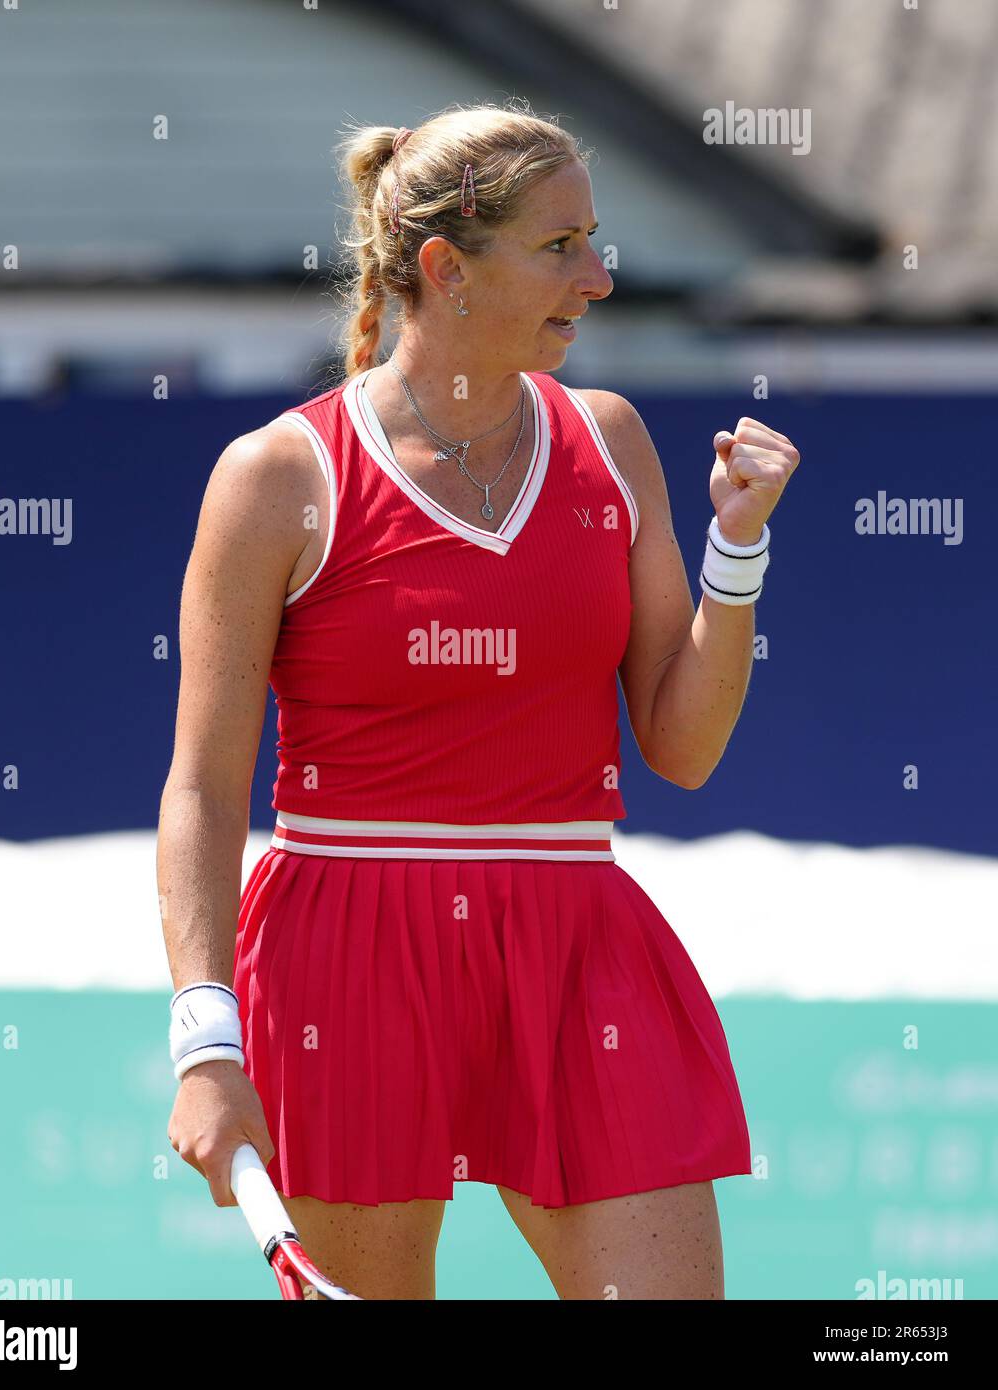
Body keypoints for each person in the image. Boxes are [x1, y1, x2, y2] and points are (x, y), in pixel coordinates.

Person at [159, 100, 800, 1300]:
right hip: (345, 960)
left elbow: (682, 745)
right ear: (448, 269)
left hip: (576, 949)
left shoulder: (610, 443)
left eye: (595, 240)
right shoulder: (276, 479)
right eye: (560, 246)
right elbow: (201, 784)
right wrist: (207, 1034)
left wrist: (736, 556)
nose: (599, 278)